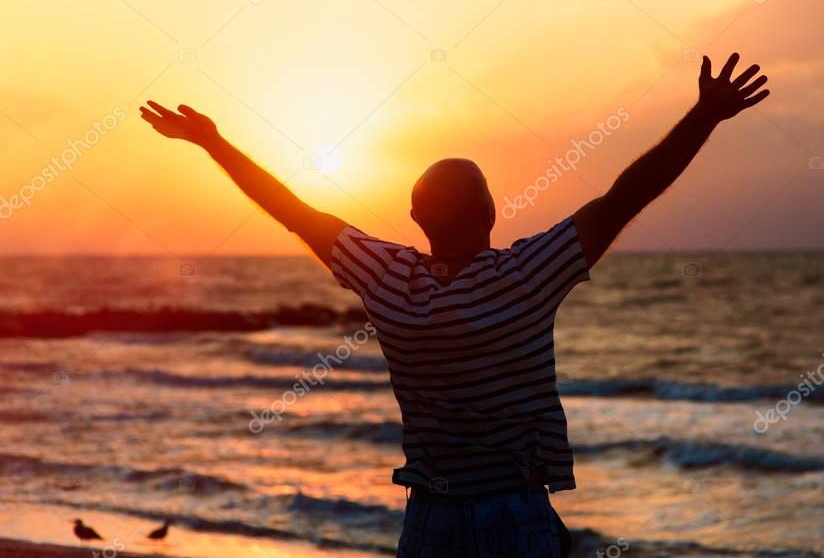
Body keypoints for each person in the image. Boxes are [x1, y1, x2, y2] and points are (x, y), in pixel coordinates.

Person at [140, 53, 769, 557]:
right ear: (493, 213)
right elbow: (625, 195)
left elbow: (293, 211)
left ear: (414, 218)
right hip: (515, 515)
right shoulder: (526, 274)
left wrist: (213, 145)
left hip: (429, 518)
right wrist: (704, 116)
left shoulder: (386, 277)